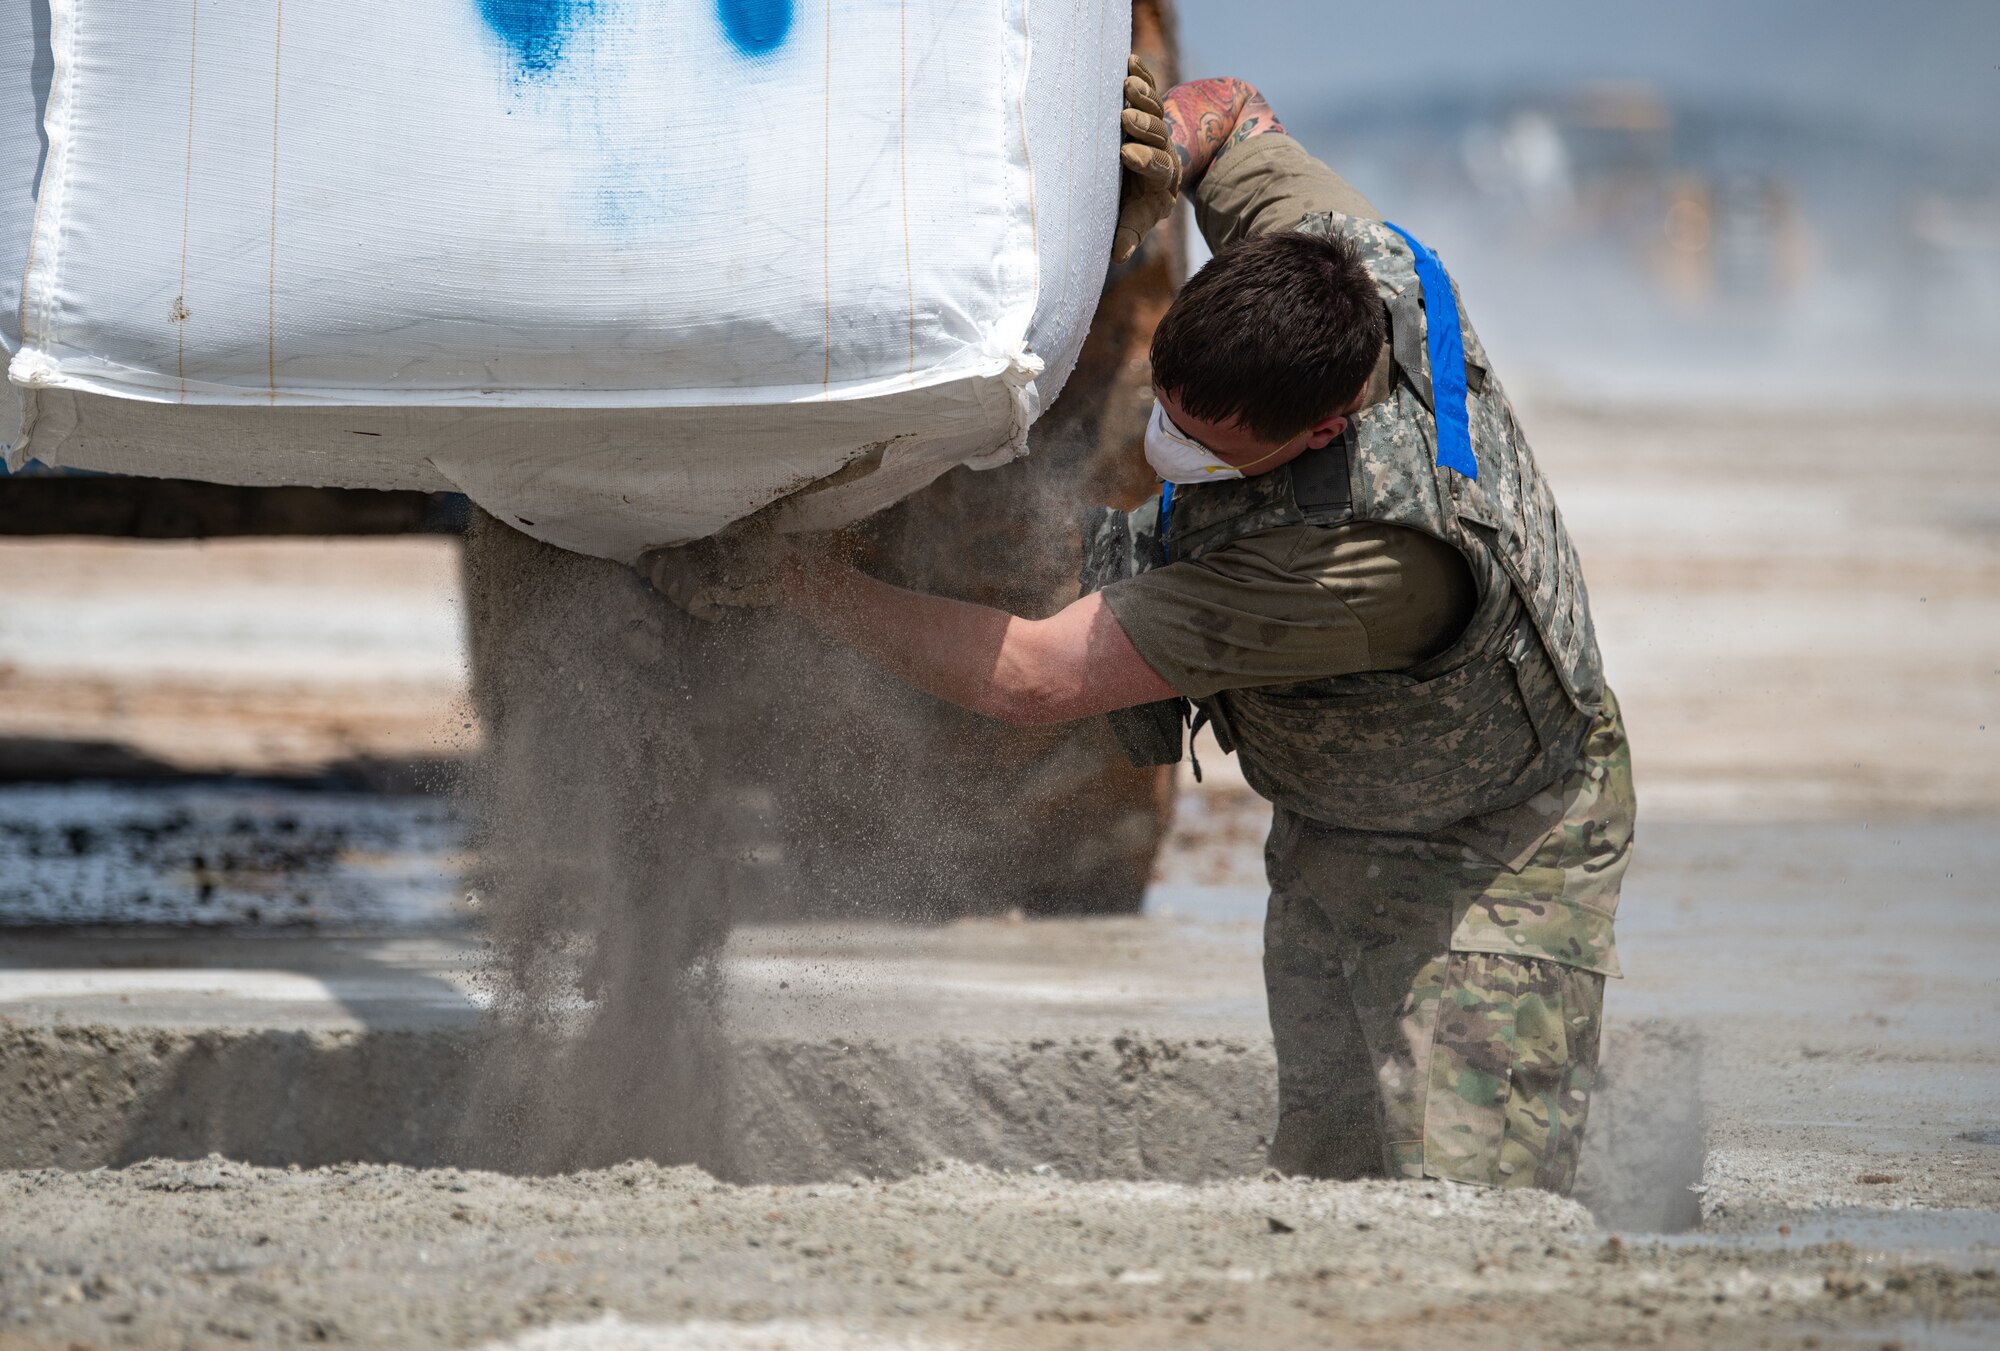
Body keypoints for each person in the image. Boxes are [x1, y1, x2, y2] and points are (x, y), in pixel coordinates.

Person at [645, 61, 1634, 1195]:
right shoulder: (1351, 261)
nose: (1167, 440)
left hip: (1492, 839)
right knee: (1331, 1167)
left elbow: (1035, 677)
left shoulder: (1355, 565)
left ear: (1317, 432)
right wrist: (1158, 151)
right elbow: (1236, 112)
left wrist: (794, 581)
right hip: (1340, 816)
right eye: (1165, 400)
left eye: (1205, 440)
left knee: (1470, 1194)